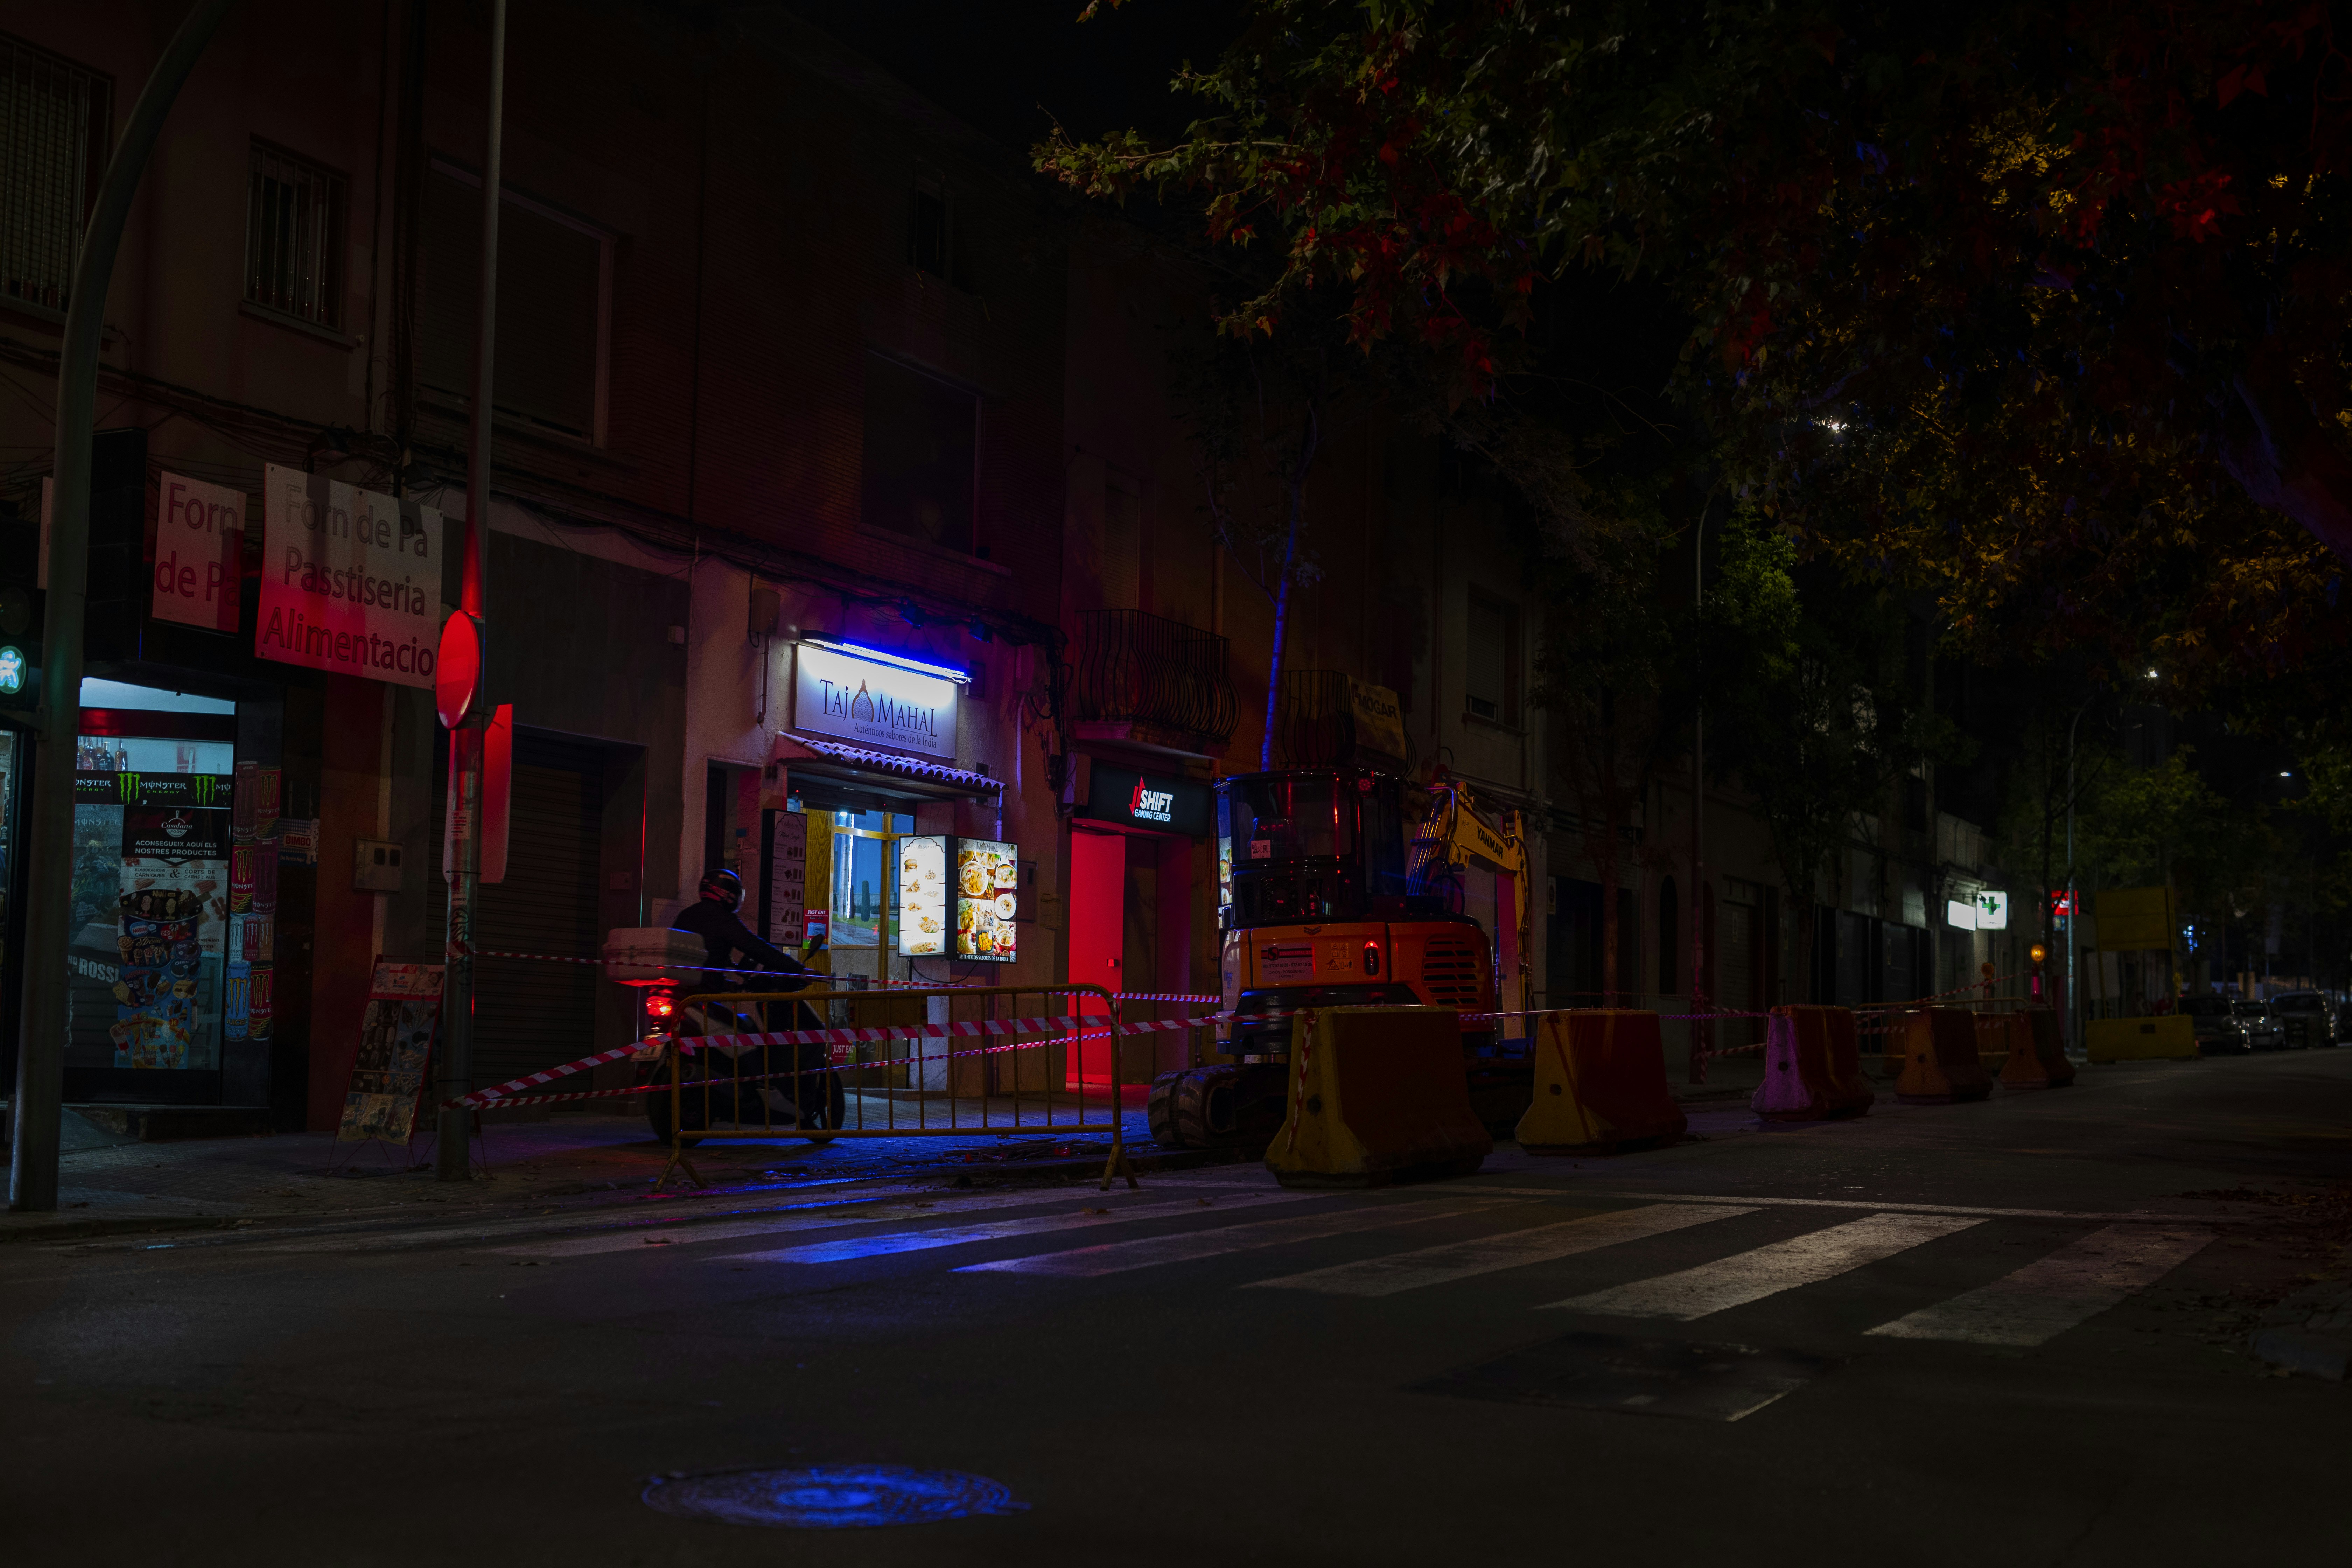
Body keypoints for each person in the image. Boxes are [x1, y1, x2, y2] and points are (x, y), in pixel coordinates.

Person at [660, 868, 841, 1136]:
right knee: (750, 1036)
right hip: (702, 998)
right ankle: (759, 1088)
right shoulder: (721, 918)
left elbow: (709, 959)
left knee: (743, 1027)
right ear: (729, 894)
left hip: (687, 995)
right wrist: (797, 970)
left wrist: (737, 980)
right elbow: (755, 946)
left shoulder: (688, 916)